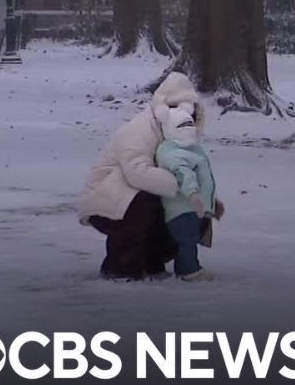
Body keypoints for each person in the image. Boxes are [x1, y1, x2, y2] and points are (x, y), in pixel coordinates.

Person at [77, 72, 222, 280]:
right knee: (144, 203)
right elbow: (136, 171)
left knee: (188, 212)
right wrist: (184, 189)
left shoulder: (180, 137)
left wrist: (203, 196)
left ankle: (152, 261)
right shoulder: (139, 129)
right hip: (105, 198)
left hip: (142, 195)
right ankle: (120, 266)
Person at [155, 99, 221, 282]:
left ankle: (188, 267)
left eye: (190, 125)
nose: (188, 129)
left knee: (191, 237)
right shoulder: (171, 152)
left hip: (193, 207)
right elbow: (183, 173)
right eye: (183, 126)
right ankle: (188, 271)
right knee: (187, 239)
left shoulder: (192, 148)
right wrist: (193, 194)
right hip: (181, 208)